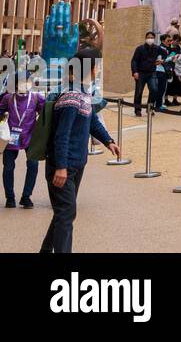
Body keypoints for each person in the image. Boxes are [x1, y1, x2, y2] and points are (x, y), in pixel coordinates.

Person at [40, 50, 120, 253]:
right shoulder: (71, 96)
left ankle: (46, 250)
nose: (98, 70)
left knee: (63, 212)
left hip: (76, 164)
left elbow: (91, 119)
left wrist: (108, 140)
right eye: (97, 66)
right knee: (66, 213)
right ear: (88, 68)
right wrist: (61, 167)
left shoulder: (84, 93)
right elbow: (62, 135)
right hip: (64, 166)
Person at [1, 75, 44, 208]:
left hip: (29, 136)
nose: (25, 85)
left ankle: (26, 197)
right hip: (11, 138)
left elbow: (46, 113)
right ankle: (10, 198)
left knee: (33, 164)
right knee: (8, 167)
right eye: (21, 82)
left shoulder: (36, 98)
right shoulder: (8, 98)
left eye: (28, 82)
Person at [130, 32, 164, 116]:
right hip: (141, 73)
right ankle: (137, 109)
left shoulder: (157, 48)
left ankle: (150, 107)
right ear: (145, 38)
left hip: (152, 72)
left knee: (154, 89)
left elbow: (165, 53)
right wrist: (135, 72)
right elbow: (134, 61)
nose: (150, 39)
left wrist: (162, 60)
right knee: (139, 92)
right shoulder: (140, 48)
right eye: (148, 37)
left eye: (152, 37)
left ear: (154, 38)